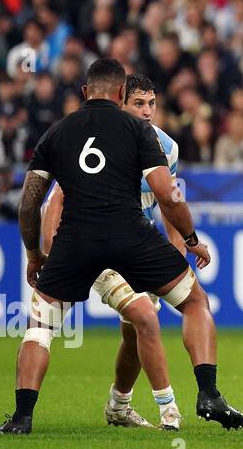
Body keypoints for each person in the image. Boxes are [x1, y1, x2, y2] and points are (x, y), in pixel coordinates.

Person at [0, 58, 243, 435]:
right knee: (193, 303)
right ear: (119, 95)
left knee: (40, 327)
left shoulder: (57, 133)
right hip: (130, 235)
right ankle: (205, 393)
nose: (146, 111)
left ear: (84, 92)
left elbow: (29, 202)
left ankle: (23, 417)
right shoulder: (140, 133)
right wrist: (192, 240)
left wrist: (35, 254)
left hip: (76, 240)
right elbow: (168, 195)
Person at [40, 73, 186, 429]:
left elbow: (170, 202)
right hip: (97, 243)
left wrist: (179, 255)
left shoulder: (168, 148)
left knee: (134, 332)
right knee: (144, 317)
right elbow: (54, 200)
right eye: (139, 103)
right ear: (121, 103)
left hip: (138, 247)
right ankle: (169, 408)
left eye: (152, 103)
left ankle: (118, 407)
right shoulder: (97, 141)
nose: (148, 111)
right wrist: (47, 250)